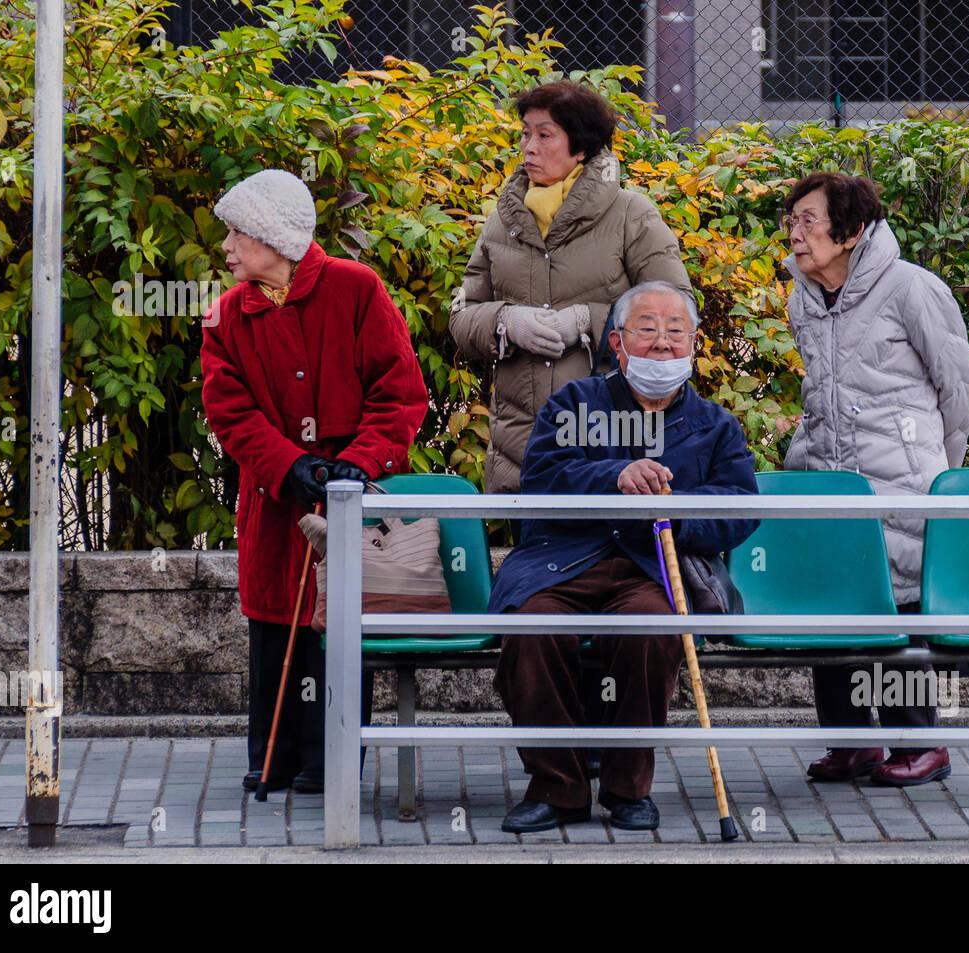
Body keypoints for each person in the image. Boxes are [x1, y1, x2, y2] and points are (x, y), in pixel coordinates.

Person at [489, 281, 758, 833]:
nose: (662, 343)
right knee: (533, 630)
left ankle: (626, 787)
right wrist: (614, 476)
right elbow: (539, 481)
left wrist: (676, 510)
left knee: (652, 628)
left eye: (675, 331)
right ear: (617, 341)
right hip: (561, 561)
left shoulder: (714, 424)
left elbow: (740, 507)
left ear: (692, 344)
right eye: (647, 329)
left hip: (652, 566)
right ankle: (557, 788)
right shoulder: (575, 404)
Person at [201, 169, 428, 794]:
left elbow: (399, 390)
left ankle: (329, 761)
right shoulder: (226, 313)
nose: (226, 248)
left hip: (349, 496)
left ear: (272, 238)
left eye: (236, 234)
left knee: (338, 623)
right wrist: (287, 466)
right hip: (275, 501)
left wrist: (360, 462)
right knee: (275, 623)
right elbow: (228, 408)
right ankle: (271, 758)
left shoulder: (355, 288)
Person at [779, 172, 969, 787]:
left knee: (903, 598)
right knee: (834, 600)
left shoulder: (911, 287)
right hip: (831, 474)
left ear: (852, 230)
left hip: (906, 475)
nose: (796, 231)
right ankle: (852, 742)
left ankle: (922, 743)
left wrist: (932, 468)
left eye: (809, 220)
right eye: (793, 220)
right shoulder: (802, 298)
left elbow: (958, 385)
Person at [449, 80, 691, 495]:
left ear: (580, 148)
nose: (529, 146)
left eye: (545, 135)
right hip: (520, 453)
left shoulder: (631, 214)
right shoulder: (501, 220)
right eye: (525, 132)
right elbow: (462, 313)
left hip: (610, 448)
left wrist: (588, 322)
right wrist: (505, 322)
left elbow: (678, 311)